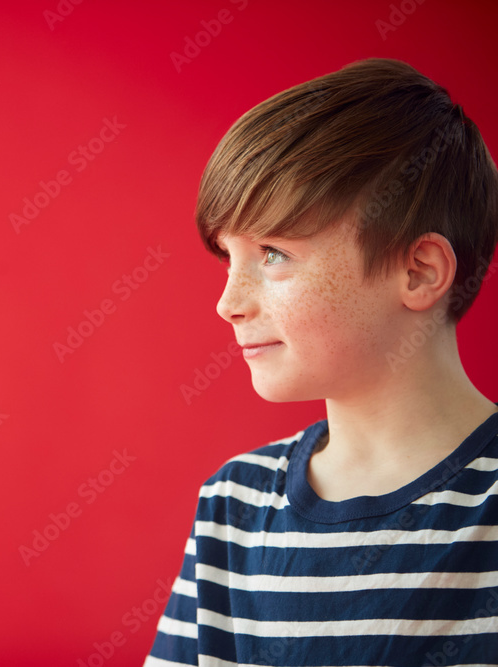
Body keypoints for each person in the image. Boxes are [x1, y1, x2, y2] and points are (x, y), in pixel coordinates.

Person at [144, 58, 498, 665]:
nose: (228, 304)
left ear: (418, 271)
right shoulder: (233, 505)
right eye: (227, 257)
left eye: (274, 253)